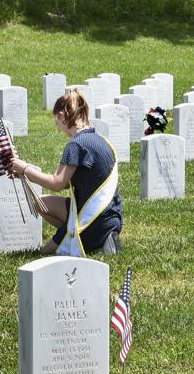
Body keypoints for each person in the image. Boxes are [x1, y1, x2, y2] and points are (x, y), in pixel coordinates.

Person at [10, 89, 123, 255]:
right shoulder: (99, 140)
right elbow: (66, 183)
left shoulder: (76, 145)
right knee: (41, 203)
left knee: (43, 253)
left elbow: (57, 184)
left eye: (57, 123)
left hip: (94, 221)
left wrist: (25, 168)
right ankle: (100, 240)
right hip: (113, 220)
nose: (59, 129)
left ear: (61, 116)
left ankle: (79, 237)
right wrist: (25, 171)